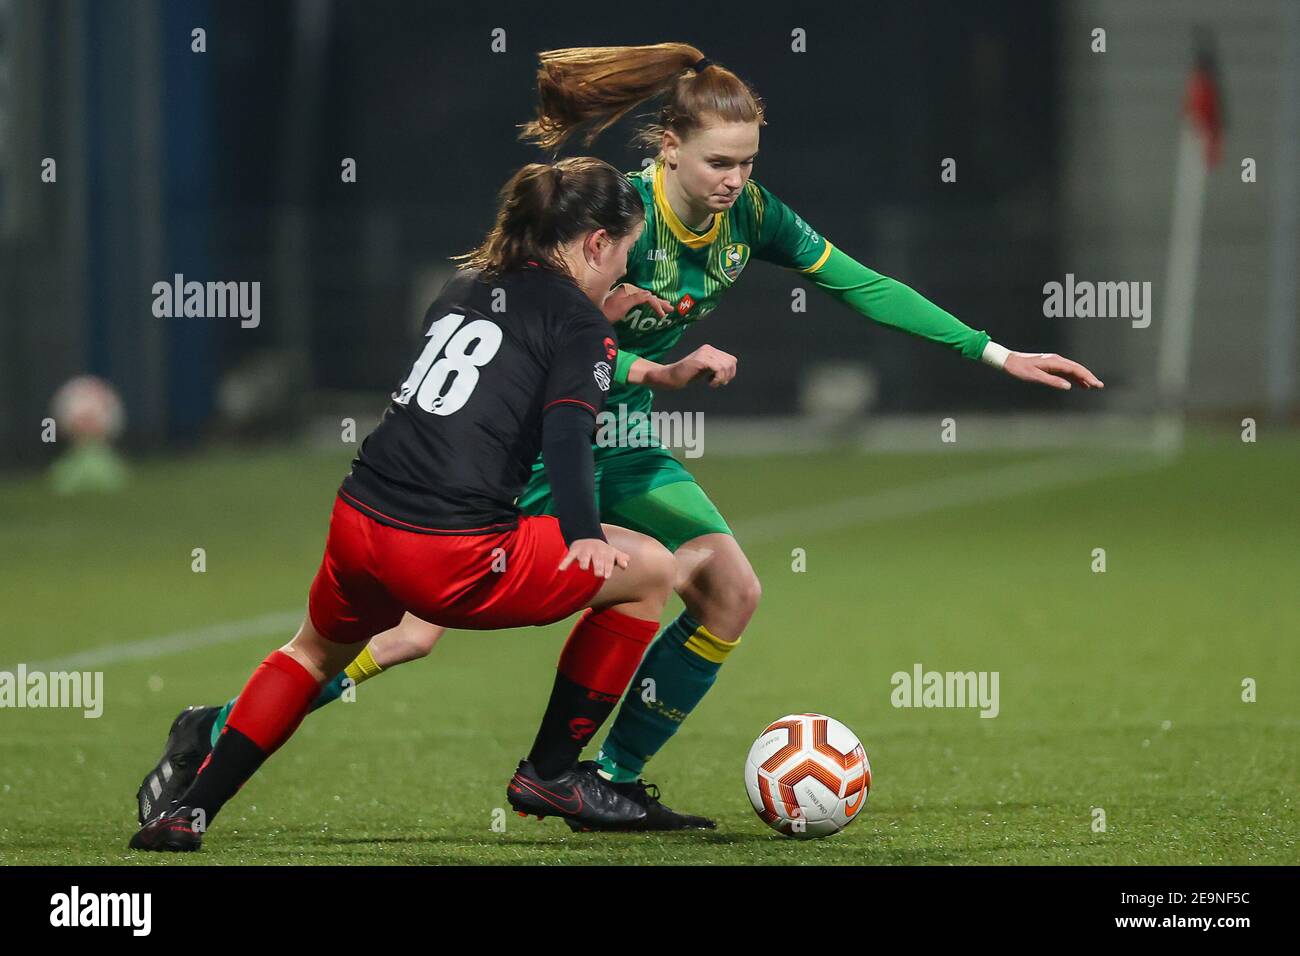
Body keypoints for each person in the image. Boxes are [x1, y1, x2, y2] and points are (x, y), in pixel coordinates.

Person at [138, 43, 1103, 835]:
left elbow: (862, 282)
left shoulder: (752, 219)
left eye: (748, 163)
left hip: (623, 440)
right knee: (412, 635)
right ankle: (216, 730)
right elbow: (524, 322)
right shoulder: (611, 218)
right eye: (719, 161)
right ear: (670, 148)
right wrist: (637, 359)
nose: (735, 181)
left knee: (730, 586)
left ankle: (608, 774)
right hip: (543, 448)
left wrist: (995, 351)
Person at [130, 156, 729, 850]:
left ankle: (189, 810)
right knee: (652, 568)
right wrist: (583, 531)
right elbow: (568, 430)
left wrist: (590, 315)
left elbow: (505, 364)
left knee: (312, 654)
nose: (622, 268)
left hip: (359, 518)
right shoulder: (580, 326)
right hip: (452, 551)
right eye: (623, 254)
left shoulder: (466, 285)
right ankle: (553, 773)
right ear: (597, 242)